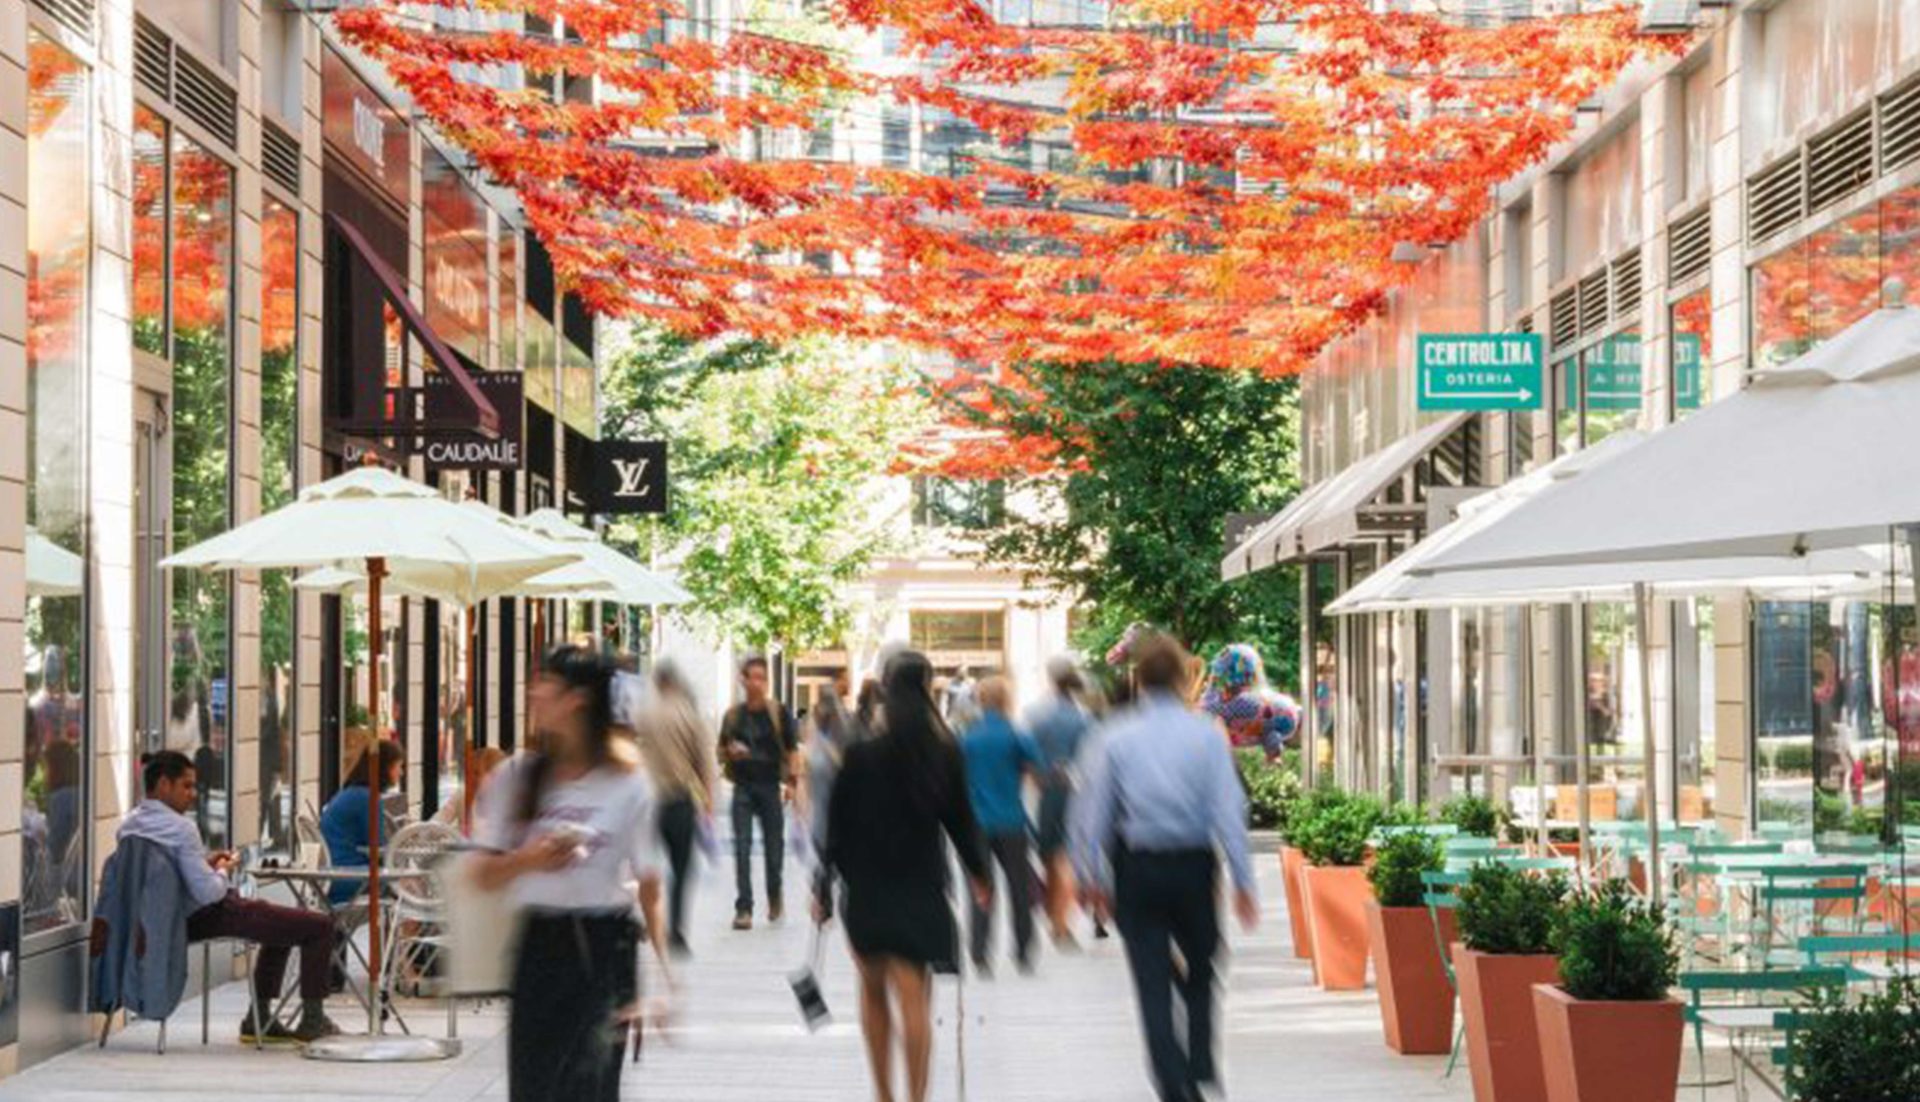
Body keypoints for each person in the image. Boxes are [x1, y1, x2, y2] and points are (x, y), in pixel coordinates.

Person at [471, 646, 671, 1102]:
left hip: (605, 950)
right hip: (539, 945)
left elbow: (651, 887)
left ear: (578, 699)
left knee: (594, 1090)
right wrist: (529, 860)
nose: (534, 692)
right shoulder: (517, 778)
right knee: (534, 1088)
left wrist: (664, 978)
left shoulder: (629, 785)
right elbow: (478, 875)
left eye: (546, 684)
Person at [1072, 633, 1259, 1102]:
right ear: (1180, 678)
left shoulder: (1114, 737)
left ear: (1138, 681)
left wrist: (1088, 876)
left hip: (1138, 870)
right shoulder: (1206, 737)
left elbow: (1091, 814)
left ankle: (1170, 1078)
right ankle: (1198, 1061)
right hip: (1195, 867)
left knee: (1151, 978)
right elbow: (1227, 810)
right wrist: (1242, 880)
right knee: (1203, 964)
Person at [815, 650, 991, 1102]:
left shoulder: (858, 755)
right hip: (921, 886)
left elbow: (835, 825)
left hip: (867, 888)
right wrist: (979, 873)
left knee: (873, 991)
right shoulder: (944, 752)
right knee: (915, 996)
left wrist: (823, 887)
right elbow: (961, 820)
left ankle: (883, 1095)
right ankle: (916, 1097)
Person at [120, 751, 339, 1044]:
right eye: (186, 786)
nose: (193, 794)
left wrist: (204, 864)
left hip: (161, 921)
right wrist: (222, 870)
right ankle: (312, 1020)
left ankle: (259, 1019)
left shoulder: (129, 826)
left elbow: (163, 879)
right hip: (207, 914)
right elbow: (208, 893)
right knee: (319, 926)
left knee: (282, 925)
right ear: (163, 785)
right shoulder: (181, 828)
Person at [958, 675, 1040, 974]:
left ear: (980, 701)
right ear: (1007, 700)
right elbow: (1034, 770)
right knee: (1019, 887)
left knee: (980, 886)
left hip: (976, 822)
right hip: (1011, 821)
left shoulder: (968, 737)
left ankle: (979, 952)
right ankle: (1023, 950)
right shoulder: (1018, 735)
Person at [635, 660, 715, 957]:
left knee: (645, 864)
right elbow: (705, 762)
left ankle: (648, 921)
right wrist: (709, 802)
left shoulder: (644, 715)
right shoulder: (690, 716)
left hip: (646, 801)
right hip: (679, 800)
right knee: (681, 869)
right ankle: (677, 932)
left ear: (657, 683)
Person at [717, 655, 799, 930]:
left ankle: (774, 894)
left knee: (774, 849)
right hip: (742, 787)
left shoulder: (778, 712)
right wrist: (730, 751)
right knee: (741, 847)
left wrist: (792, 784)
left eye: (762, 678)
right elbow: (720, 748)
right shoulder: (733, 716)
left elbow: (792, 749)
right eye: (753, 677)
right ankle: (744, 909)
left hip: (769, 787)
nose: (759, 683)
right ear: (742, 679)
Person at [1025, 657, 1094, 947]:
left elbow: (1027, 756)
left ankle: (1056, 919)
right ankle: (1061, 924)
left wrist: (1037, 777)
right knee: (1067, 859)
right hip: (1075, 791)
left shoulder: (1037, 716)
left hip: (1047, 792)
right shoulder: (1083, 718)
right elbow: (1092, 759)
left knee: (1050, 858)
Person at [319, 738, 404, 907]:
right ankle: (401, 932)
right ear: (386, 768)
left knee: (401, 884)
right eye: (398, 766)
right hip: (348, 877)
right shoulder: (368, 797)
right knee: (408, 886)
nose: (401, 773)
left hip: (328, 875)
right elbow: (378, 847)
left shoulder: (353, 793)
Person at [803, 669, 857, 856]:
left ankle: (825, 850)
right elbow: (836, 736)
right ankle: (827, 850)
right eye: (846, 680)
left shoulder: (830, 705)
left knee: (823, 810)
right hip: (829, 766)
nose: (849, 684)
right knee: (828, 810)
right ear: (838, 681)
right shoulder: (831, 704)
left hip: (823, 765)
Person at [944, 665, 980, 730]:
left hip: (968, 716)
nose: (963, 673)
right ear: (957, 672)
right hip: (954, 716)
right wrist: (945, 716)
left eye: (965, 671)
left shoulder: (971, 683)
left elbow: (976, 700)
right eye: (961, 671)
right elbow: (945, 702)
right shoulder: (951, 684)